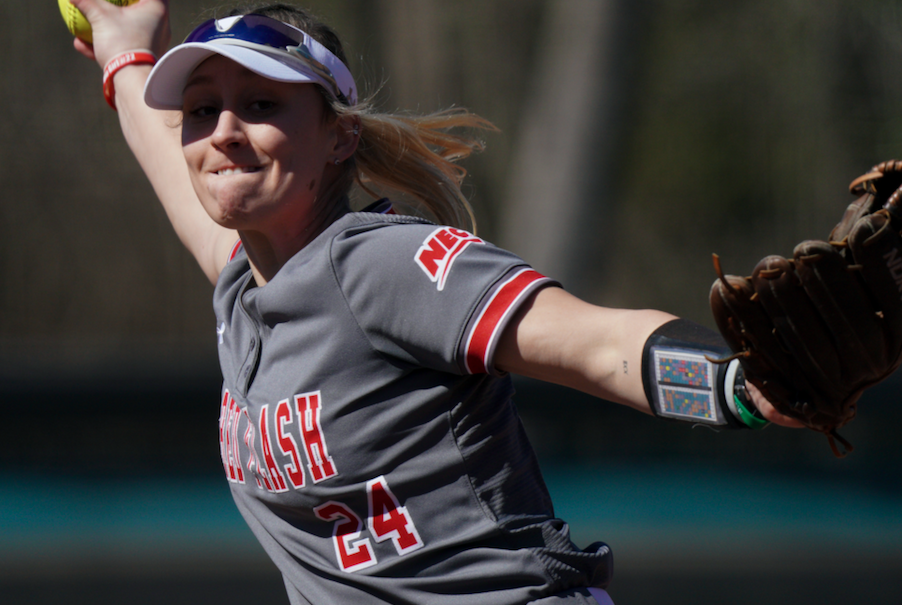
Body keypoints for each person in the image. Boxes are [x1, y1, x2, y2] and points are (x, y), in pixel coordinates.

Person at [68, 1, 802, 603]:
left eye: (261, 104)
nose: (221, 133)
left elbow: (588, 341)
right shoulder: (244, 281)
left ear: (337, 136)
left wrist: (736, 384)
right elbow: (172, 162)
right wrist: (124, 57)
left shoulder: (380, 265)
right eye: (201, 110)